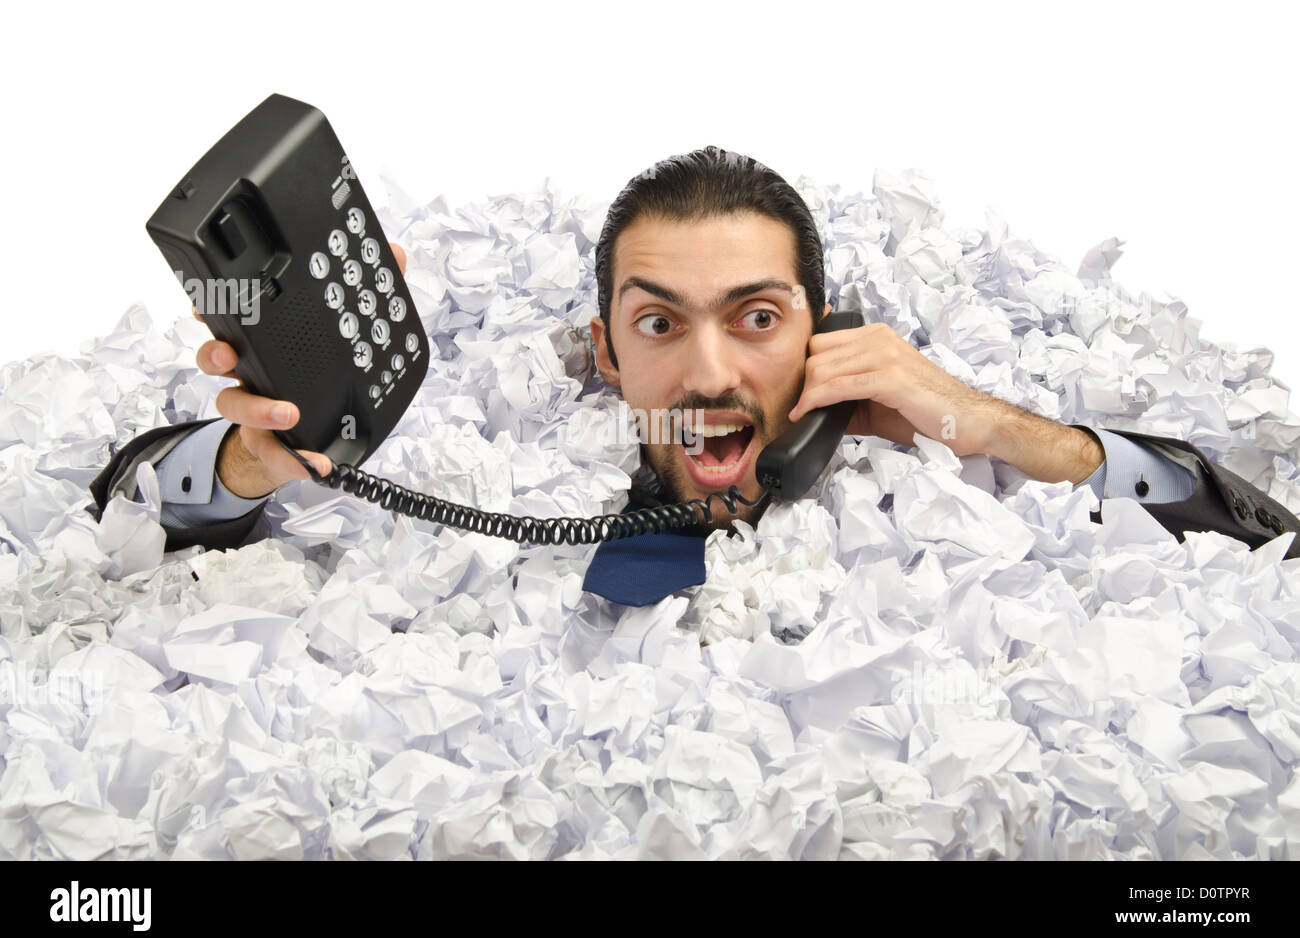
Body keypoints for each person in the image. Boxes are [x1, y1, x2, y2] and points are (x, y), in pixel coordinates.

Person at [89, 147, 1300, 605]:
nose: (710, 369)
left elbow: (1267, 546)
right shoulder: (481, 458)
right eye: (661, 324)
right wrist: (252, 460)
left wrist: (1001, 429)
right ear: (606, 353)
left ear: (821, 334)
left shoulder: (942, 482)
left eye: (757, 318)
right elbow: (120, 502)